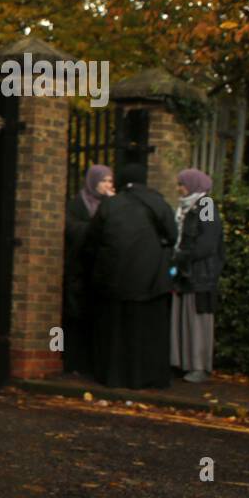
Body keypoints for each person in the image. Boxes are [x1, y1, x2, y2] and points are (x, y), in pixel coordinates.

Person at [83, 162, 176, 389]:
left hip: (115, 279)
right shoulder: (159, 203)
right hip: (152, 280)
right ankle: (149, 377)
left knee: (116, 332)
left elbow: (92, 240)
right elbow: (172, 236)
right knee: (148, 332)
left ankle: (114, 376)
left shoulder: (110, 205)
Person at [170, 168, 224, 383]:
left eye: (182, 184)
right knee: (184, 317)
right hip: (187, 273)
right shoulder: (187, 207)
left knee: (197, 320)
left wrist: (183, 256)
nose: (179, 188)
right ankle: (185, 363)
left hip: (199, 274)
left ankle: (199, 366)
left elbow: (208, 243)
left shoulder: (206, 205)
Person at [63, 164, 114, 374]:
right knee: (76, 317)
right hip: (79, 269)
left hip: (100, 270)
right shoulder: (77, 204)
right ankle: (72, 360)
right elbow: (73, 230)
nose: (107, 185)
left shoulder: (112, 204)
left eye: (110, 181)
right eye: (103, 181)